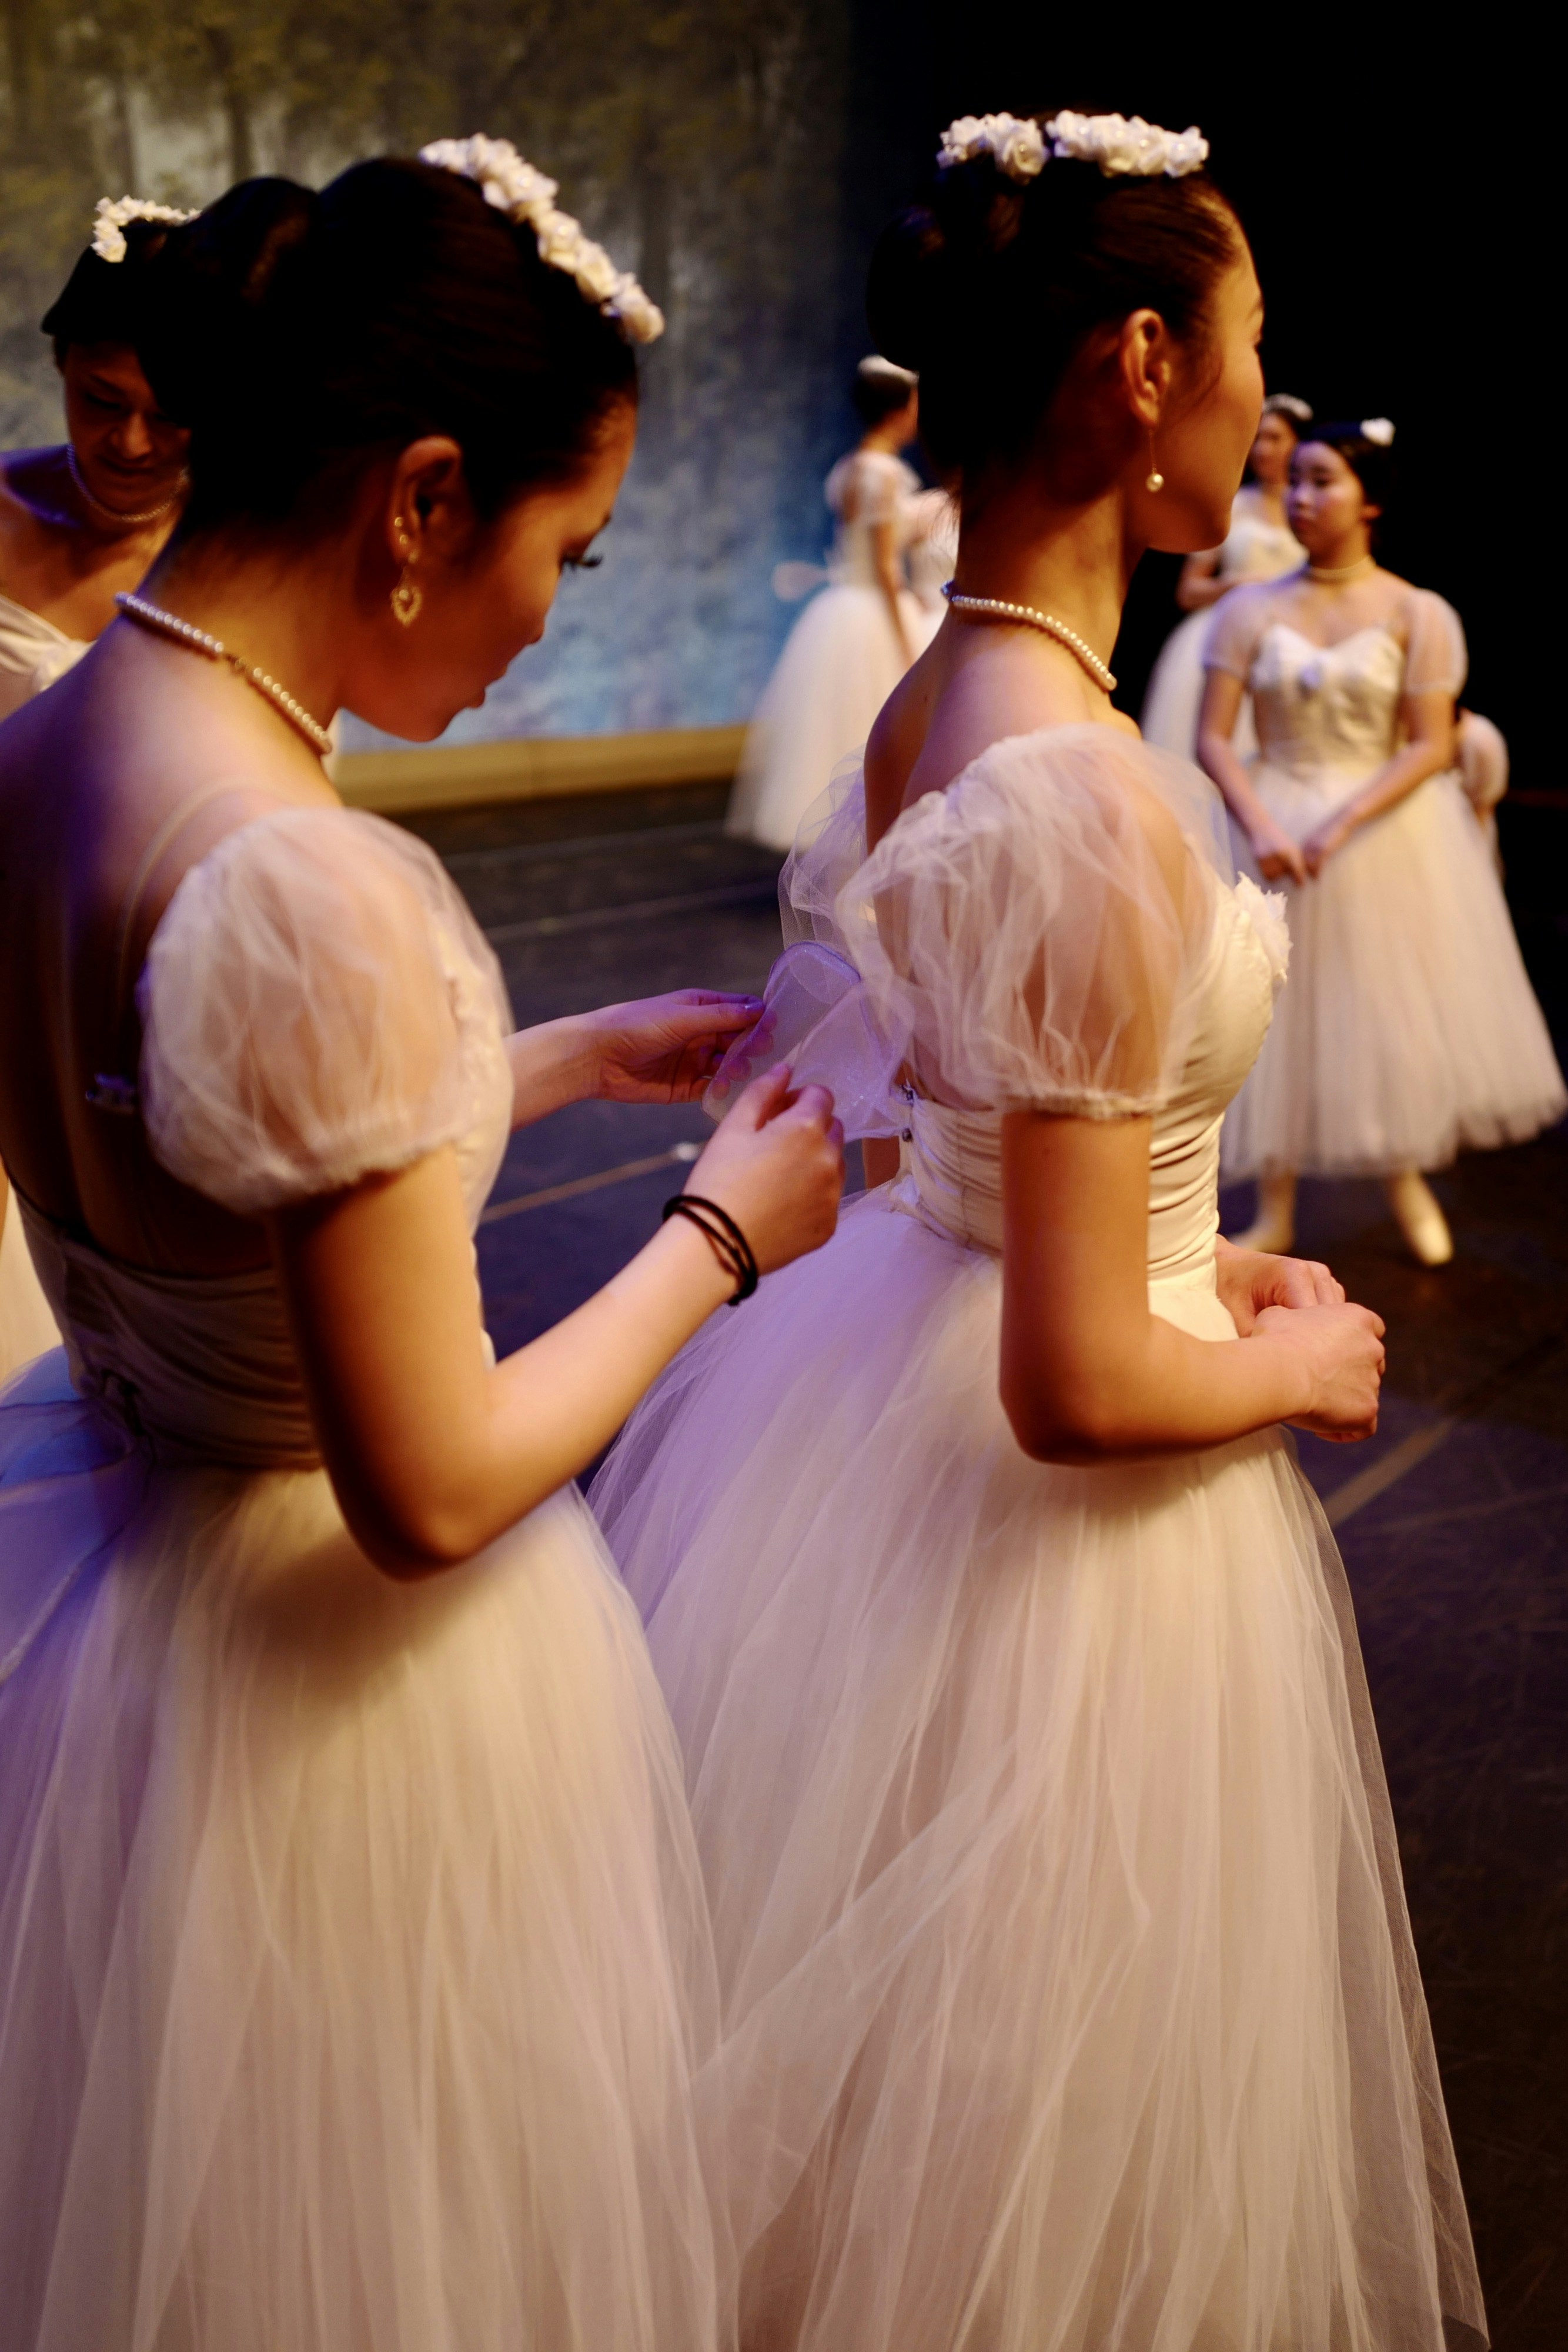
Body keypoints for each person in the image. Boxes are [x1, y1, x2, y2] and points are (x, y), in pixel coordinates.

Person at [594, 108, 1486, 2352]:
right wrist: (1288, 1357)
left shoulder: (934, 705)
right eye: (1247, 347)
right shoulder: (1077, 786)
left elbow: (971, 1130)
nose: (1268, 403)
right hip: (1045, 1513)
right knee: (1036, 2107)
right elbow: (1077, 1377)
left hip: (879, 1392)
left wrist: (1207, 1249)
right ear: (1135, 366)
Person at [0, 140, 844, 2352]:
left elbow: (198, 1155)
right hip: (330, 1717)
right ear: (423, 497)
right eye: (570, 544)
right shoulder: (312, 881)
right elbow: (435, 1484)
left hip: (105, 1580)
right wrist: (716, 1237)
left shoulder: (48, 740)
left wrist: (548, 1052)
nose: (554, 607)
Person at [1198, 420, 1564, 1262]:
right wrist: (1260, 825)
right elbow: (1213, 737)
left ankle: (1404, 1180)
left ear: (1369, 501)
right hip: (1271, 819)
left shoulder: (1415, 610)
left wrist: (1339, 823)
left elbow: (1428, 742)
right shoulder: (1247, 608)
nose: (1298, 496)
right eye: (1292, 480)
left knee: (1385, 1006)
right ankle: (1276, 1204)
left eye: (1320, 480)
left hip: (1379, 828)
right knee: (1271, 1011)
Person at [0, 198, 192, 1385]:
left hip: (137, 968)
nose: (127, 442)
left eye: (168, 416)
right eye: (99, 401)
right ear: (61, 368)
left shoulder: (238, 557)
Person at [726, 356, 937, 851]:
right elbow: (886, 567)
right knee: (870, 725)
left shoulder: (850, 468)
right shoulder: (883, 473)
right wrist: (909, 636)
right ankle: (868, 842)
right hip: (873, 606)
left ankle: (849, 845)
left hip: (843, 605)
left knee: (836, 729)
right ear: (900, 408)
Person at [1139, 390, 1308, 759]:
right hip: (1221, 629)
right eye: (1258, 439)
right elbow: (1188, 590)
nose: (1263, 449)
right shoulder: (1231, 505)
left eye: (1275, 438)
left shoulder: (1309, 508)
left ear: (1299, 443)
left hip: (1290, 640)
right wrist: (1237, 584)